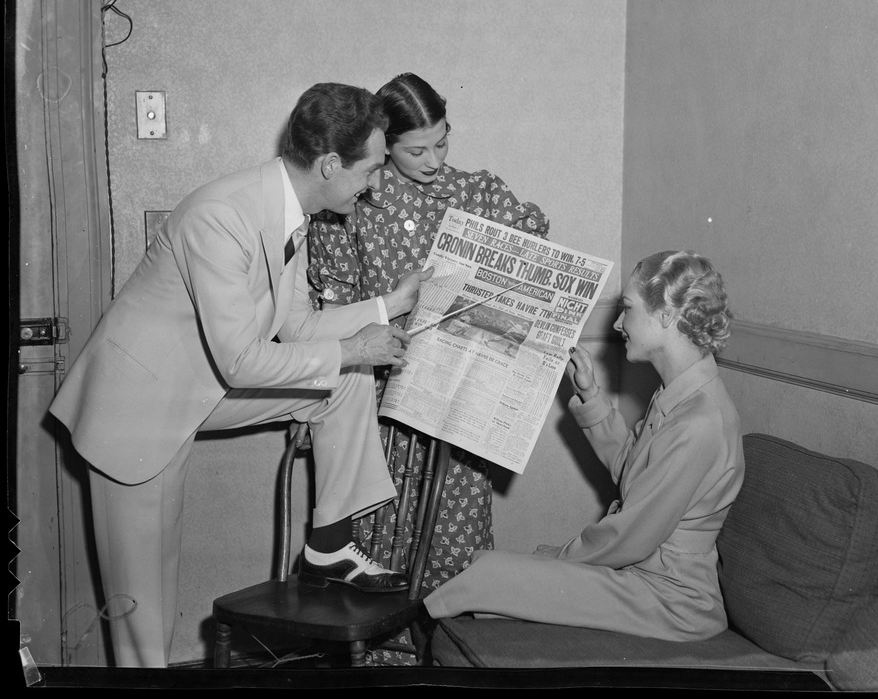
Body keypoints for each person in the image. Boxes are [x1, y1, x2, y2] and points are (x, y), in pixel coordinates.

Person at [48, 82, 433, 668]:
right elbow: (241, 360)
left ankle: (328, 546)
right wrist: (354, 346)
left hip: (196, 390)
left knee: (343, 379)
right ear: (330, 165)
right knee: (142, 621)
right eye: (373, 169)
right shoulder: (223, 216)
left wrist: (392, 306)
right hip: (134, 413)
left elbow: (301, 330)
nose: (377, 184)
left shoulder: (291, 212)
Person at [307, 73, 549, 597]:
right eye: (416, 150)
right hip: (379, 393)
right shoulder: (351, 204)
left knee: (454, 533)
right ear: (384, 145)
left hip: (456, 397)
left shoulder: (474, 191)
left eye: (442, 142)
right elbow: (332, 309)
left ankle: (451, 655)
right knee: (382, 530)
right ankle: (385, 663)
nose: (434, 161)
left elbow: (533, 246)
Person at [422, 251, 744, 642]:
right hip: (645, 578)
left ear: (665, 315)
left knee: (490, 575)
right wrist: (591, 395)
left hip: (672, 600)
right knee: (487, 566)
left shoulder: (699, 419)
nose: (617, 323)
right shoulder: (679, 395)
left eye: (627, 309)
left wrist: (557, 559)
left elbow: (631, 536)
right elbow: (633, 472)